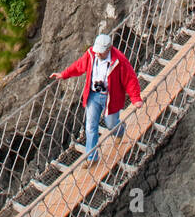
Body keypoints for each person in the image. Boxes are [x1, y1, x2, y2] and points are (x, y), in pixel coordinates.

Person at [50, 32, 142, 165]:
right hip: (93, 96)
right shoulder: (91, 54)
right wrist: (63, 74)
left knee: (111, 124)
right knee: (90, 126)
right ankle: (92, 158)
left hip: (110, 97)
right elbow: (78, 66)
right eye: (97, 51)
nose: (98, 54)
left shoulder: (118, 60)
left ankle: (120, 130)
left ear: (109, 49)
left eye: (101, 52)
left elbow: (130, 79)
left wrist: (136, 98)